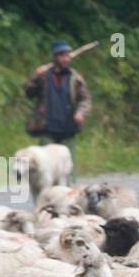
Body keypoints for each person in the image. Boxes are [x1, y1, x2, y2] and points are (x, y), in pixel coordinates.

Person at [24, 40, 92, 175]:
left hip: (68, 127)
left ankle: (69, 192)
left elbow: (85, 99)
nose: (66, 59)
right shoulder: (44, 76)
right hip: (47, 126)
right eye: (62, 55)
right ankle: (47, 193)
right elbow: (29, 93)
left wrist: (80, 113)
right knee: (45, 165)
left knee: (68, 166)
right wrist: (35, 77)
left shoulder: (75, 78)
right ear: (55, 57)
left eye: (67, 55)